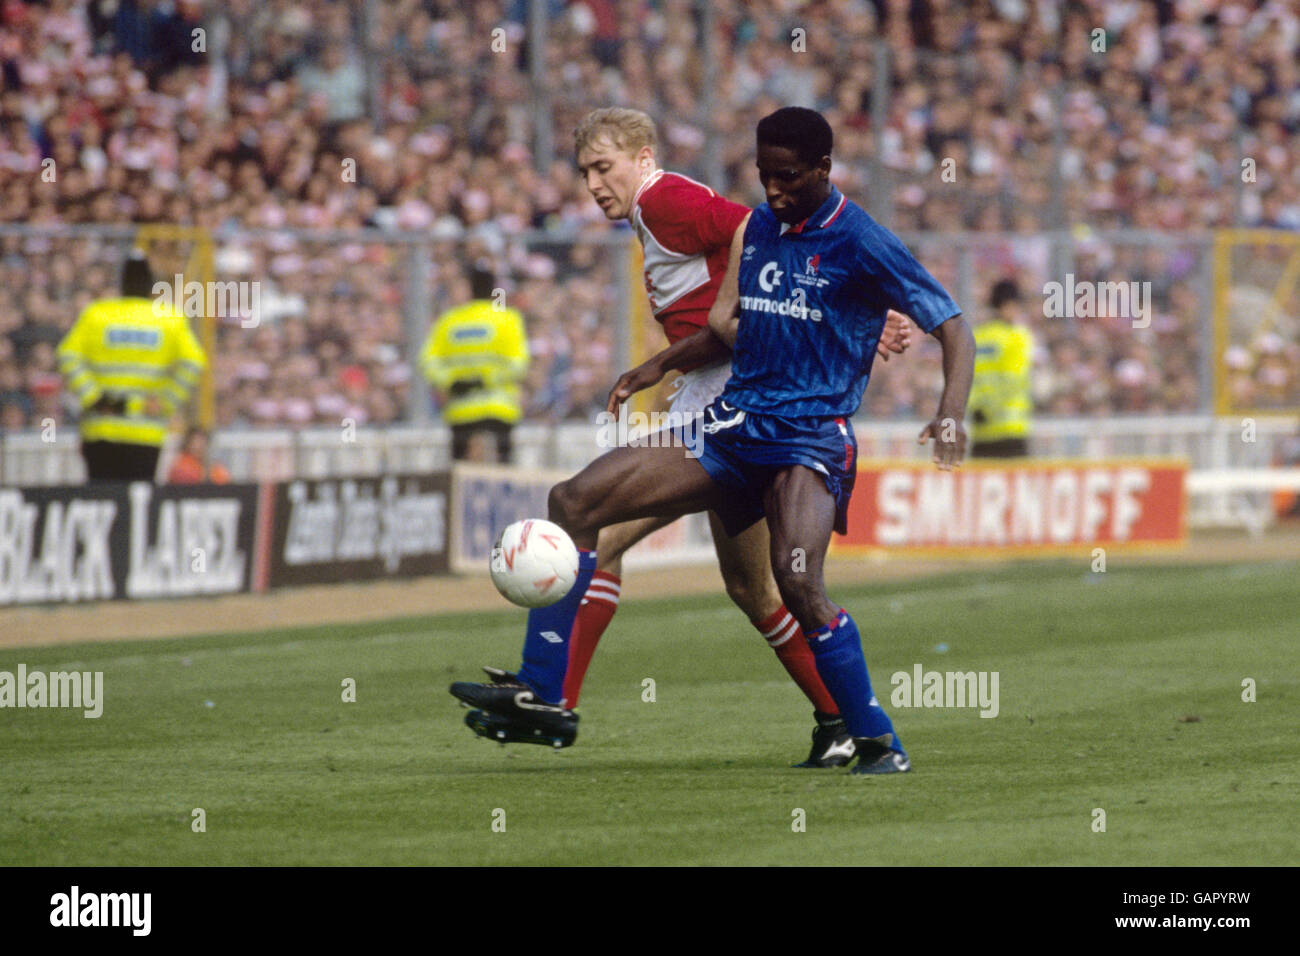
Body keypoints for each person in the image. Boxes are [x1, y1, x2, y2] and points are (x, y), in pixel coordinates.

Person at [453, 107, 974, 774]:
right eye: (764, 176)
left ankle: (873, 737)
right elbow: (739, 315)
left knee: (791, 587)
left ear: (822, 169)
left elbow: (951, 324)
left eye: (786, 176)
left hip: (805, 437)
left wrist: (946, 405)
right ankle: (543, 685)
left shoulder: (844, 236)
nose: (773, 190)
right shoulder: (761, 224)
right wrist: (659, 364)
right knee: (583, 506)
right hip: (730, 424)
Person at [57, 251, 207, 482]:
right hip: (145, 430)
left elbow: (67, 355)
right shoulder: (168, 319)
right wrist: (167, 401)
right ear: (151, 285)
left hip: (102, 428)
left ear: (121, 283)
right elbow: (194, 362)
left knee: (102, 501)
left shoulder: (98, 314)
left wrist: (93, 397)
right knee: (137, 504)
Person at [420, 264, 529, 464]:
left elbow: (428, 362)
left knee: (460, 470)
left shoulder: (449, 320)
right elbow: (518, 364)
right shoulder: (507, 320)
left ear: (469, 288)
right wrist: (484, 379)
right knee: (503, 470)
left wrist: (453, 381)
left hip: (461, 410)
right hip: (498, 409)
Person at [969, 278, 1033, 457]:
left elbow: (969, 379)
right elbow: (1014, 380)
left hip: (980, 429)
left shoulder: (977, 336)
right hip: (1010, 429)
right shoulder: (1017, 336)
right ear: (1008, 305)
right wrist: (991, 410)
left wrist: (977, 408)